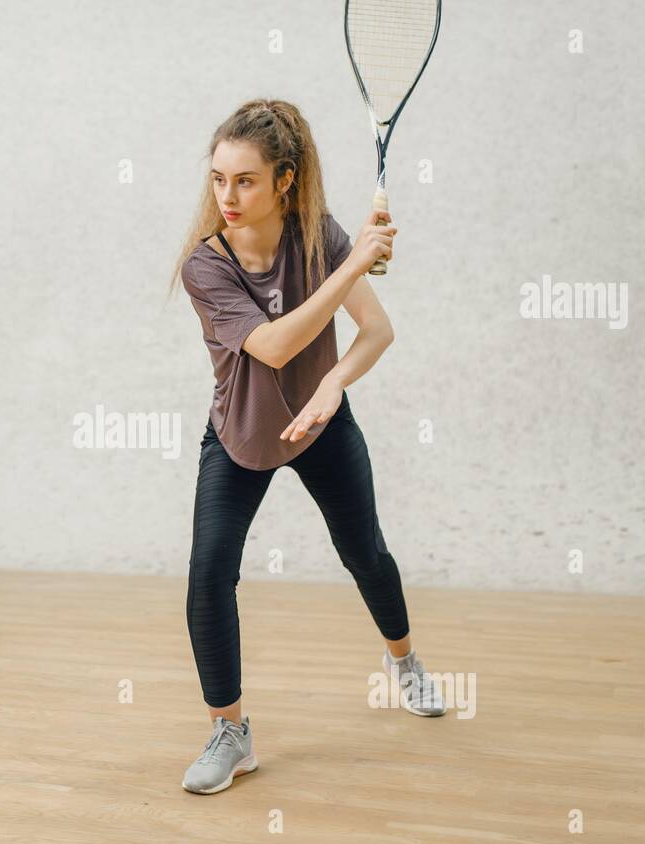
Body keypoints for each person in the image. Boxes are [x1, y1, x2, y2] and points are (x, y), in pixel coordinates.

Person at [168, 98, 446, 795]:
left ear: (283, 181)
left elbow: (375, 333)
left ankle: (404, 661)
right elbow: (276, 344)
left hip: (322, 427)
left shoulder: (315, 234)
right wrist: (352, 265)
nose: (227, 196)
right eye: (218, 179)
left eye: (246, 181)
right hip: (241, 436)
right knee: (207, 578)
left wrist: (333, 386)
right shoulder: (207, 267)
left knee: (366, 554)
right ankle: (230, 733)